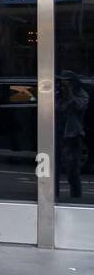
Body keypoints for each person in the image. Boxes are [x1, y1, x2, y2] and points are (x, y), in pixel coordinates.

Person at [56, 71, 87, 200]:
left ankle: (76, 199)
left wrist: (70, 94)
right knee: (54, 169)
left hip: (73, 135)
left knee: (72, 172)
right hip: (58, 134)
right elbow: (56, 109)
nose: (63, 86)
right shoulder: (58, 95)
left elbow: (79, 107)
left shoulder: (82, 95)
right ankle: (53, 195)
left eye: (66, 83)